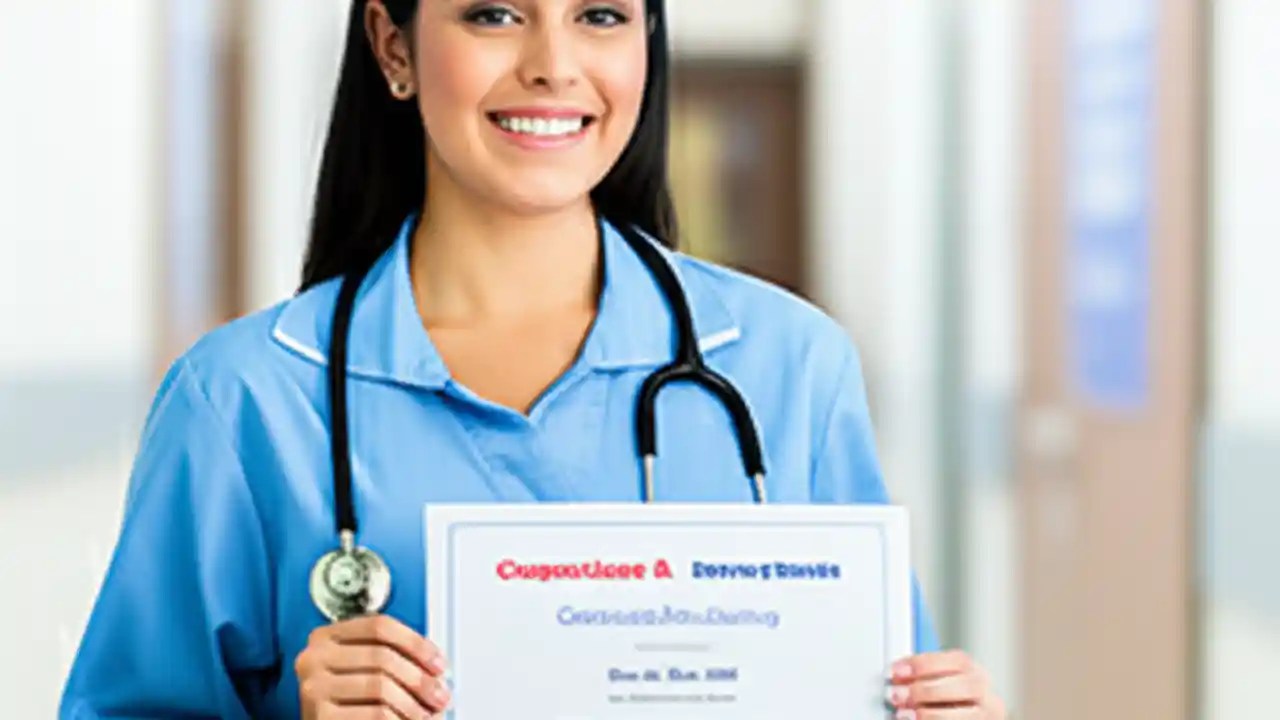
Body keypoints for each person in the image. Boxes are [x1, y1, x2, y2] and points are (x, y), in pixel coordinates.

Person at [61, 1, 1007, 718]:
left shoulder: (788, 367)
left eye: (600, 15)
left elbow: (877, 687)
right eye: (494, 14)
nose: (554, 66)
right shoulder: (247, 401)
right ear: (394, 46)